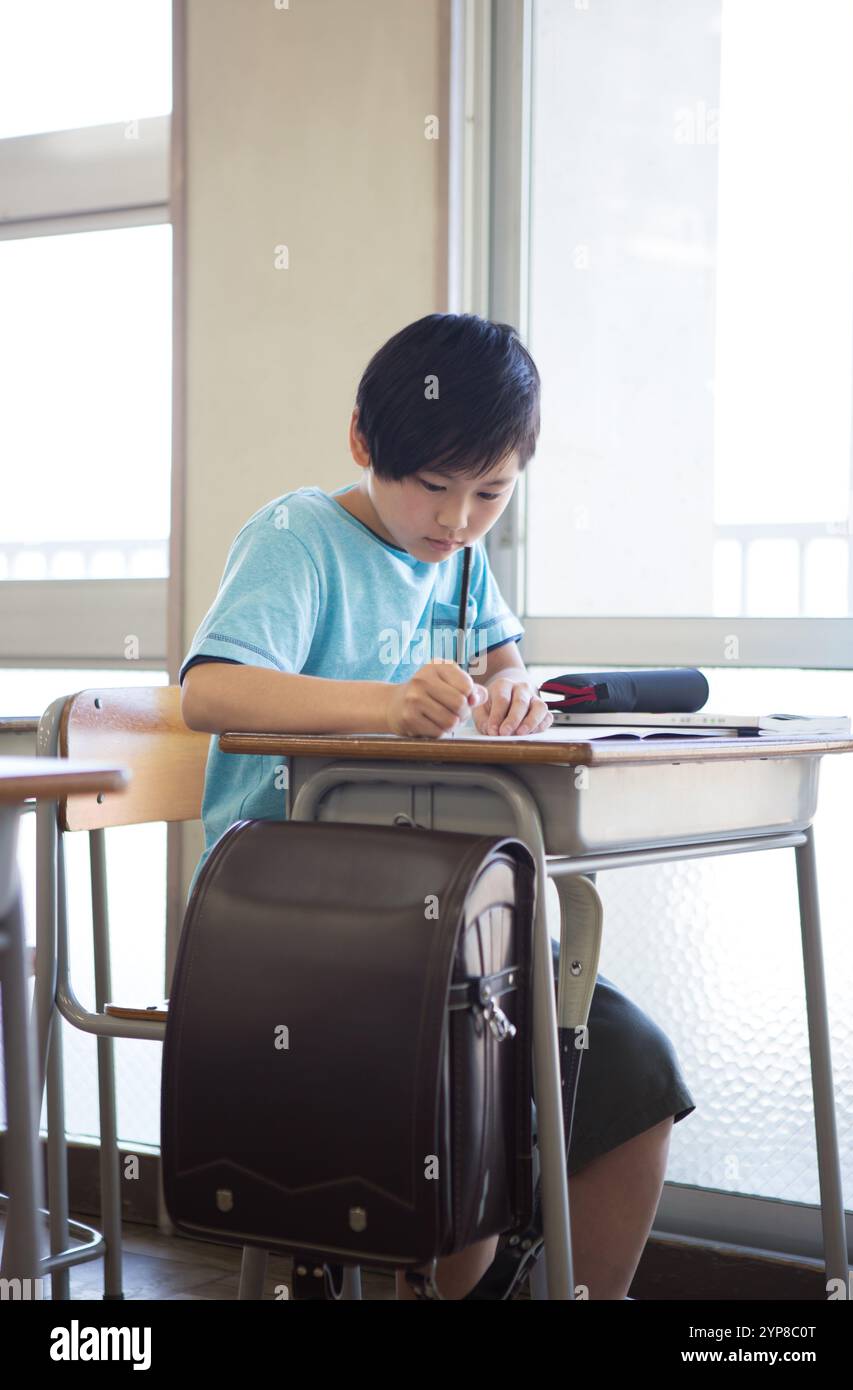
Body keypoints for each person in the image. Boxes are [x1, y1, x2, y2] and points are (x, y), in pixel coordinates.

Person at [179, 312, 696, 1300]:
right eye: (432, 486)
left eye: (491, 492)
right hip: (294, 924)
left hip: (446, 926)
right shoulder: (300, 539)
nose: (458, 518)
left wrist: (513, 695)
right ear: (364, 445)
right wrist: (386, 704)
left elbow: (510, 673)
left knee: (630, 1065)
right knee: (473, 1083)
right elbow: (212, 692)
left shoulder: (460, 562)